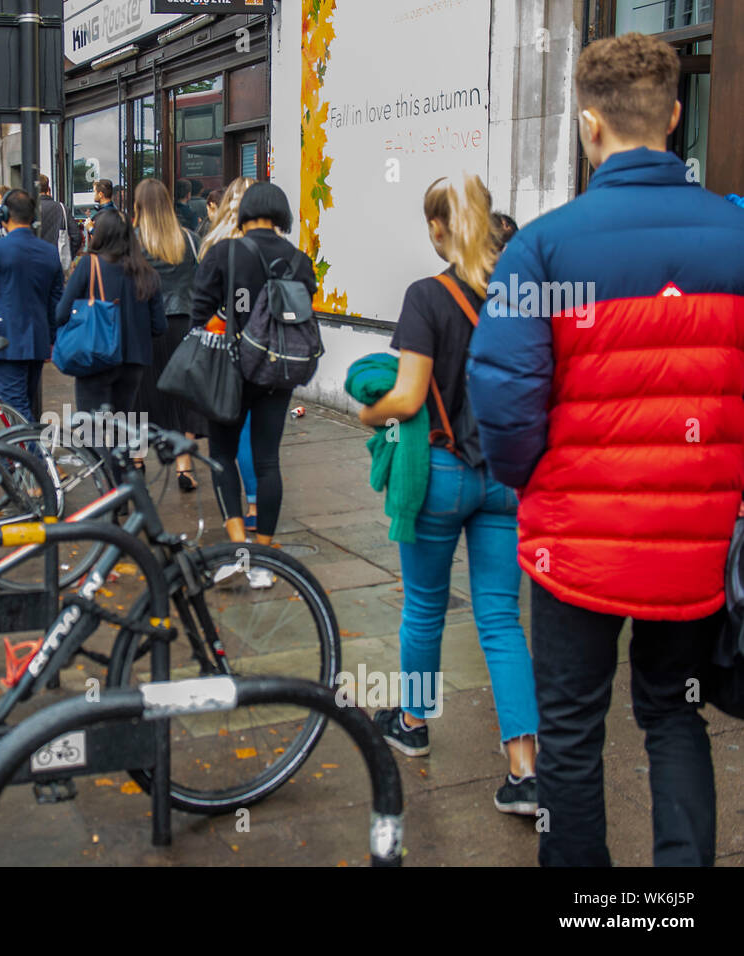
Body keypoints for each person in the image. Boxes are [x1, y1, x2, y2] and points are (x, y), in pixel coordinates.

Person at [467, 32, 744, 867]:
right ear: (675, 114)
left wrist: (534, 482)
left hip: (574, 544)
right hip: (698, 549)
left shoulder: (542, 249)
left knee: (573, 733)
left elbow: (505, 406)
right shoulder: (734, 234)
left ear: (588, 126)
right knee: (673, 714)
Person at [354, 173, 538, 816]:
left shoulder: (425, 297)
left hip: (440, 472)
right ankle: (523, 769)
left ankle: (413, 721)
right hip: (506, 480)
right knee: (501, 622)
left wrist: (367, 413)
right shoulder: (521, 293)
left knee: (425, 609)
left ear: (438, 229)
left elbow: (406, 397)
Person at [190, 182, 312, 570]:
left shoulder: (225, 252)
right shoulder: (298, 261)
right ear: (281, 213)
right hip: (278, 371)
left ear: (243, 212)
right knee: (268, 460)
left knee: (223, 455)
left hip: (230, 370)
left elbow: (198, 312)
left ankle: (239, 549)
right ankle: (264, 556)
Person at [56, 207, 165, 470]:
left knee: (93, 430)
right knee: (123, 430)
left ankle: (107, 500)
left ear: (99, 235)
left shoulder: (89, 265)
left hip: (95, 358)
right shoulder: (147, 271)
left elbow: (60, 314)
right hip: (134, 361)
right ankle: (124, 491)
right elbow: (159, 325)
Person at [130, 178, 205, 487]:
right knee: (182, 396)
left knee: (139, 395)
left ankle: (136, 459)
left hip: (143, 326)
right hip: (183, 324)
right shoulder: (189, 240)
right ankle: (184, 466)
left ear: (138, 207)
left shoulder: (131, 241)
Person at [0, 190, 64, 421]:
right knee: (25, 403)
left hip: (6, 340)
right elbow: (56, 301)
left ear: (3, 215)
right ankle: (22, 455)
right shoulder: (49, 252)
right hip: (38, 340)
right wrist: (50, 337)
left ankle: (33, 457)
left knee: (14, 408)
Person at [199, 177, 260, 529]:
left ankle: (236, 520)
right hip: (259, 347)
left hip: (223, 349)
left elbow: (210, 303)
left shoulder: (215, 244)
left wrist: (221, 317)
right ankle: (255, 507)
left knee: (227, 438)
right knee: (254, 434)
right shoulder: (265, 244)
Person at [37, 173, 78, 271]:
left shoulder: (29, 208)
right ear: (48, 189)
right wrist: (69, 255)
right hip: (57, 263)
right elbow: (76, 236)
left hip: (35, 264)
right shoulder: (62, 208)